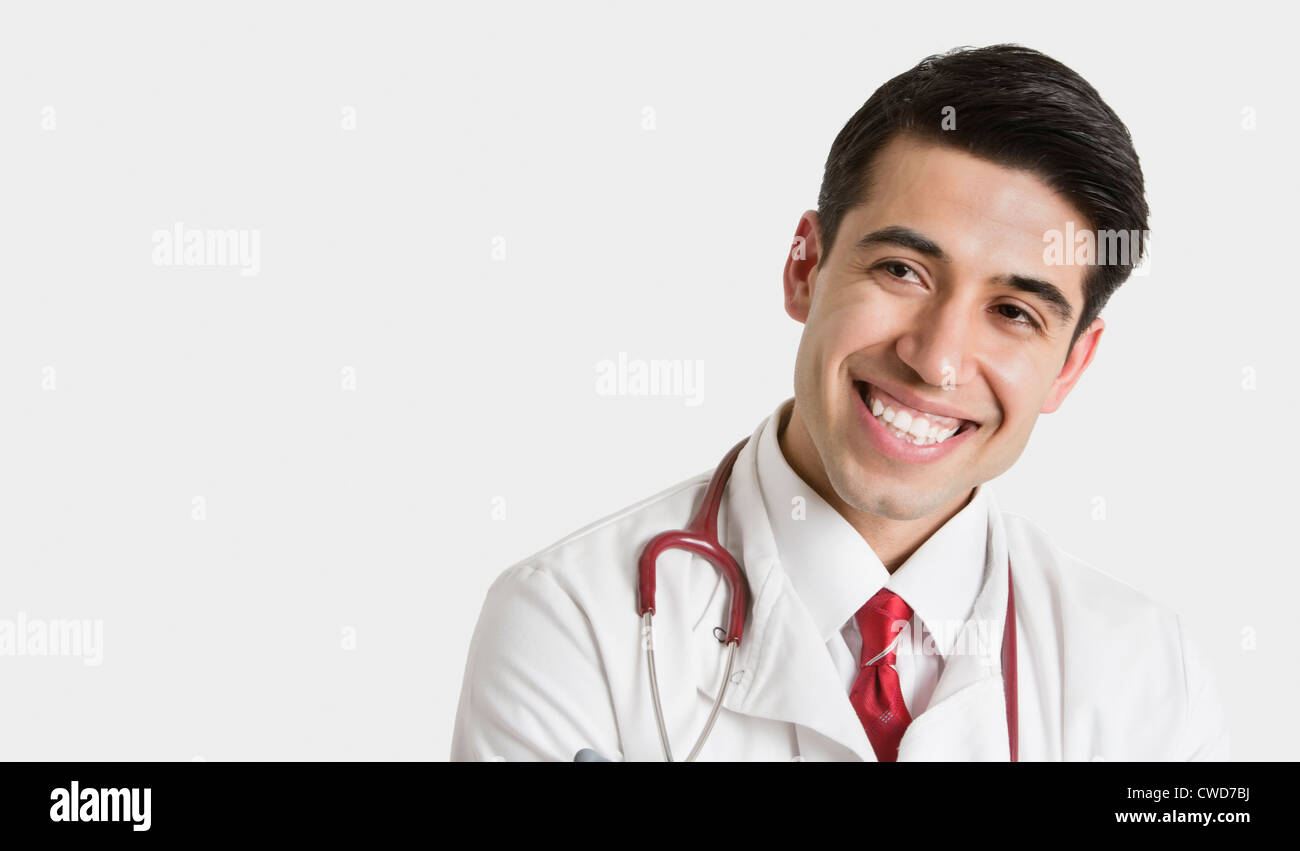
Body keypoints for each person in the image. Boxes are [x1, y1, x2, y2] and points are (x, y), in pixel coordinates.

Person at [450, 44, 1230, 761]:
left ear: (1070, 366)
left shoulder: (1149, 676)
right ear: (805, 266)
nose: (936, 359)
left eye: (1014, 313)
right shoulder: (570, 622)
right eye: (901, 270)